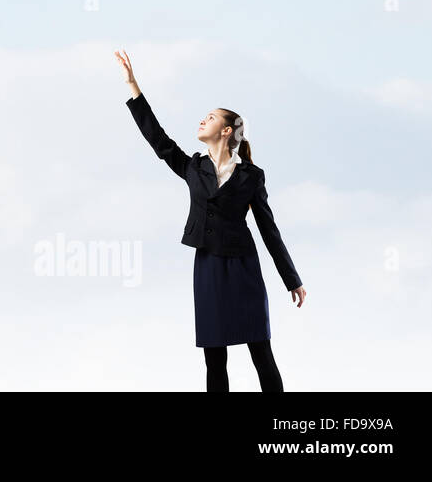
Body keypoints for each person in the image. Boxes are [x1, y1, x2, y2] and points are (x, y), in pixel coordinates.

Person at [114, 49, 307, 392]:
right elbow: (159, 140)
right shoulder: (193, 167)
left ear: (227, 130)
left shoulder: (251, 176)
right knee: (214, 358)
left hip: (244, 267)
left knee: (261, 352)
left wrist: (291, 279)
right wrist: (133, 86)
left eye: (211, 117)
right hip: (208, 266)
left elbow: (269, 231)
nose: (203, 120)